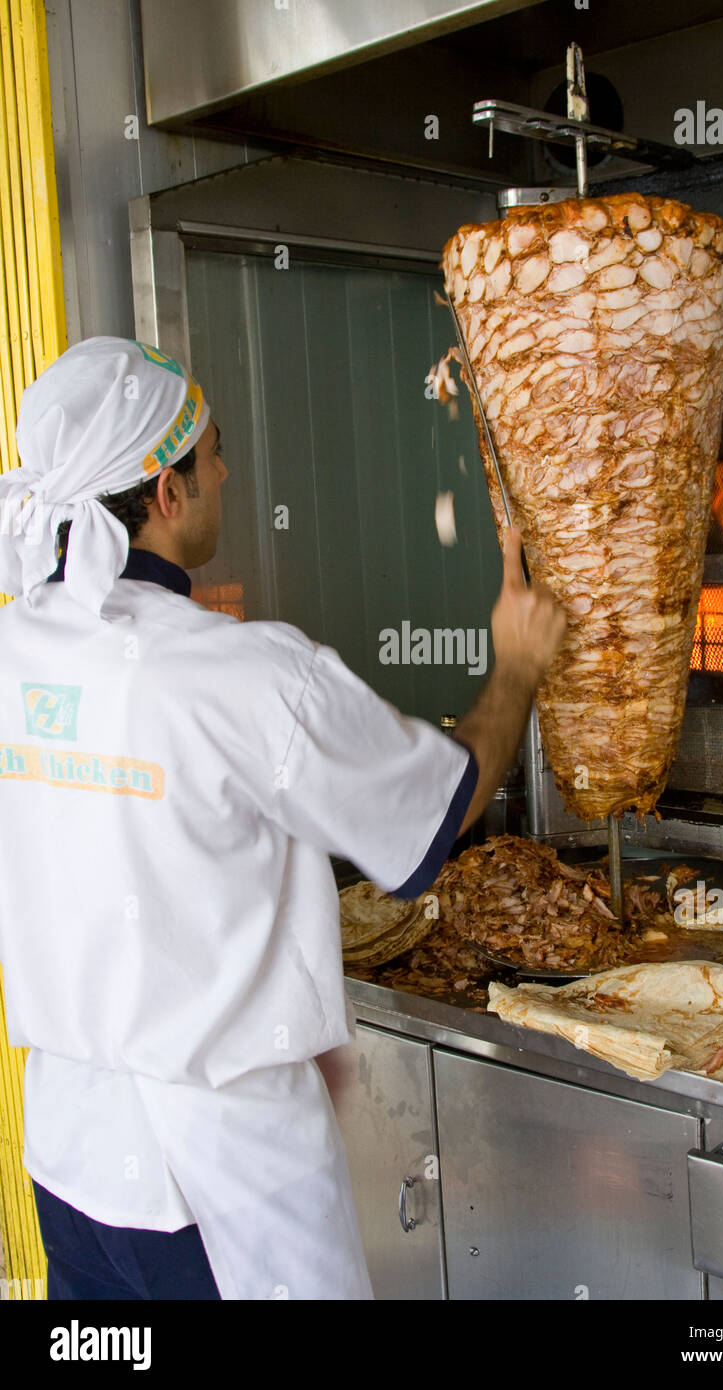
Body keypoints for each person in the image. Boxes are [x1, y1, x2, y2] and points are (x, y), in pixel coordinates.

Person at [0, 336, 565, 1300]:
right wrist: (516, 663)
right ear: (168, 494)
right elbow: (440, 815)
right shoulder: (248, 673)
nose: (225, 469)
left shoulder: (15, 644)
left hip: (70, 1160)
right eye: (212, 451)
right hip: (223, 1183)